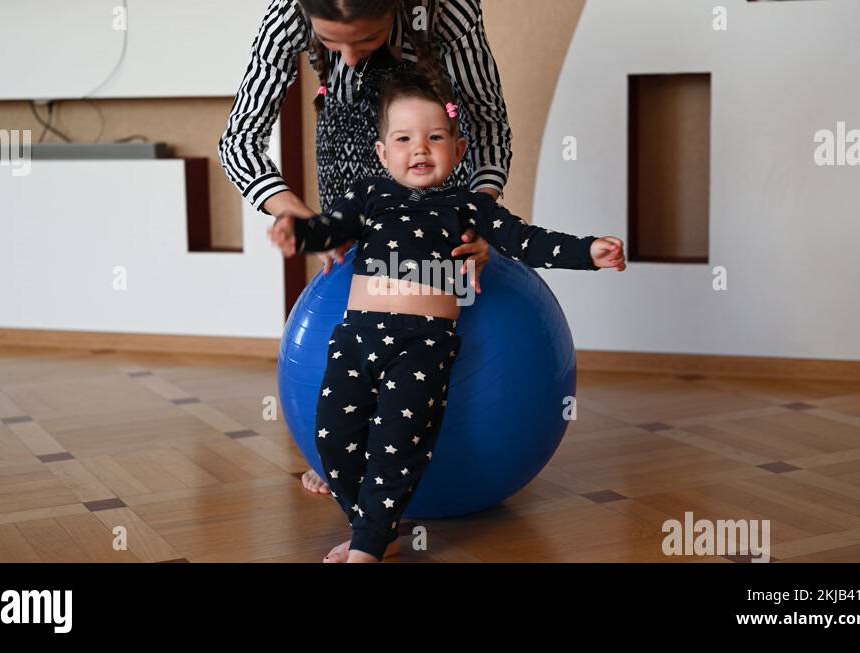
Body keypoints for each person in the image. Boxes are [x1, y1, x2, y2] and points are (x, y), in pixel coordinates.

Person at [267, 69, 626, 562]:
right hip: (355, 337)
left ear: (458, 151)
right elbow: (332, 228)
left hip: (422, 345)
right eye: (404, 138)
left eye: (435, 137)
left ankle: (369, 546)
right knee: (332, 437)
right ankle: (372, 526)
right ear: (382, 152)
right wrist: (298, 234)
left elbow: (526, 241)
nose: (420, 148)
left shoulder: (468, 206)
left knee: (397, 442)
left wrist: (588, 252)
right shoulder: (369, 196)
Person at [219, 0, 518, 495]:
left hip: (433, 198)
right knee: (356, 338)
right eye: (332, 43)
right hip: (349, 174)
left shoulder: (450, 10)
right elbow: (240, 140)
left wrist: (477, 215)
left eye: (366, 38)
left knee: (419, 351)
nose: (349, 58)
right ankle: (345, 461)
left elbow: (486, 122)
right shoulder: (287, 13)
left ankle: (403, 474)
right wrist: (297, 213)